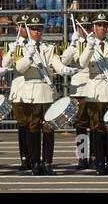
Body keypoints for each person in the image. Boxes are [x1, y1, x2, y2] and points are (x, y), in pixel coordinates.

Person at [60, 12, 108, 175]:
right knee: (81, 124)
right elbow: (65, 60)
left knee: (101, 125)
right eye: (82, 27)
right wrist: (73, 45)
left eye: (87, 27)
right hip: (80, 88)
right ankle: (83, 157)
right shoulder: (78, 44)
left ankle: (98, 157)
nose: (84, 30)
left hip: (99, 86)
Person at [6, 12, 67, 175]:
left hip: (46, 91)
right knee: (32, 127)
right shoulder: (21, 48)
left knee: (48, 128)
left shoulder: (49, 47)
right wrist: (30, 55)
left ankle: (47, 163)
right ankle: (34, 162)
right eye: (33, 29)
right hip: (30, 92)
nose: (37, 32)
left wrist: (65, 69)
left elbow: (57, 63)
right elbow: (19, 68)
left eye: (39, 29)